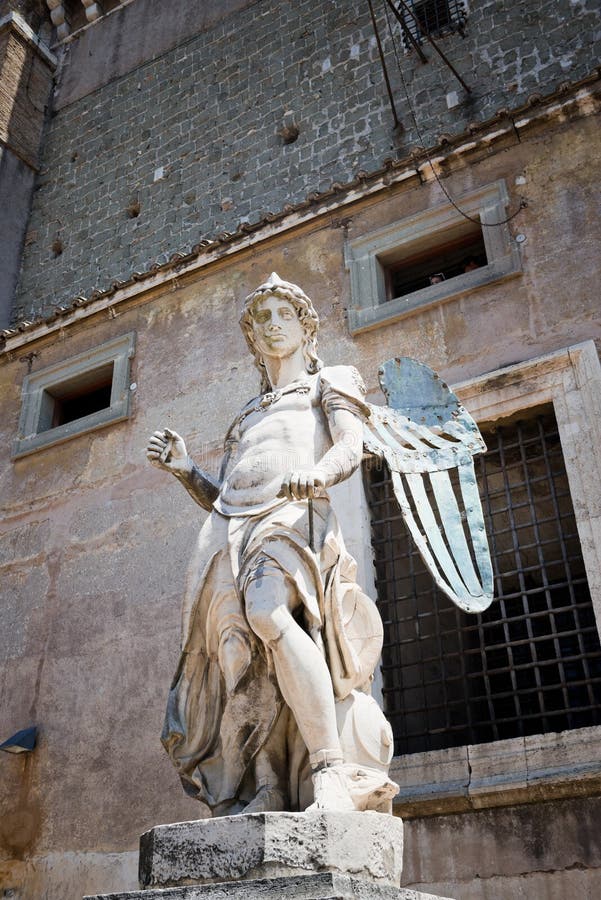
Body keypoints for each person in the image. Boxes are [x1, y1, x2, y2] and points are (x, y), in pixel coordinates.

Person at [146, 273, 396, 817]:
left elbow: (352, 445)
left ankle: (330, 769)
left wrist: (319, 475)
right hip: (227, 528)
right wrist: (187, 471)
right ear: (253, 340)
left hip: (293, 514)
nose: (273, 325)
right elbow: (223, 491)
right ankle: (267, 786)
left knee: (268, 614)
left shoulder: (330, 380)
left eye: (284, 314)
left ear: (306, 327)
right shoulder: (248, 413)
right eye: (262, 320)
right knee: (238, 654)